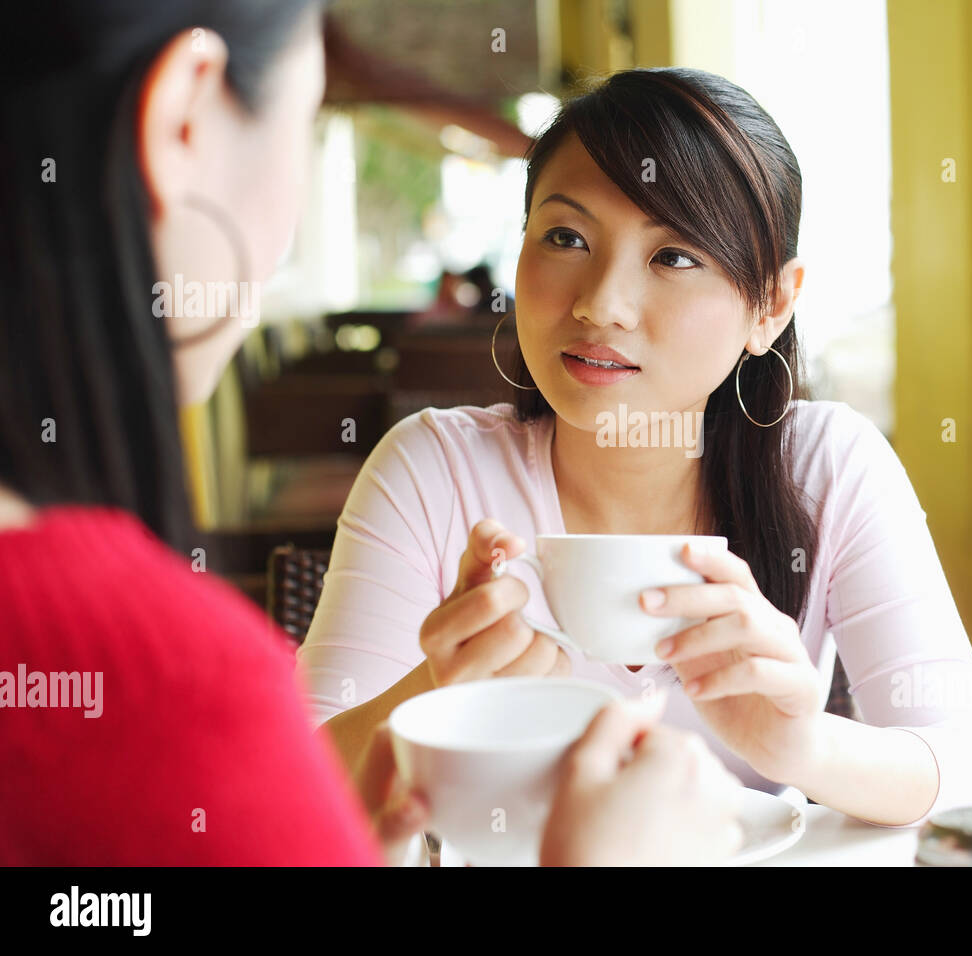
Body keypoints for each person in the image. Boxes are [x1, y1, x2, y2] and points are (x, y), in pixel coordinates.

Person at [0, 0, 742, 866]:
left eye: (675, 254)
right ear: (185, 122)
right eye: (306, 123)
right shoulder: (149, 684)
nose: (602, 304)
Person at [301, 67, 972, 828]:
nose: (599, 303)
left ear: (771, 304)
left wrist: (803, 748)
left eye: (673, 256)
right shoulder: (434, 471)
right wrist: (428, 690)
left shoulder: (828, 468)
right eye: (566, 237)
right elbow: (283, 782)